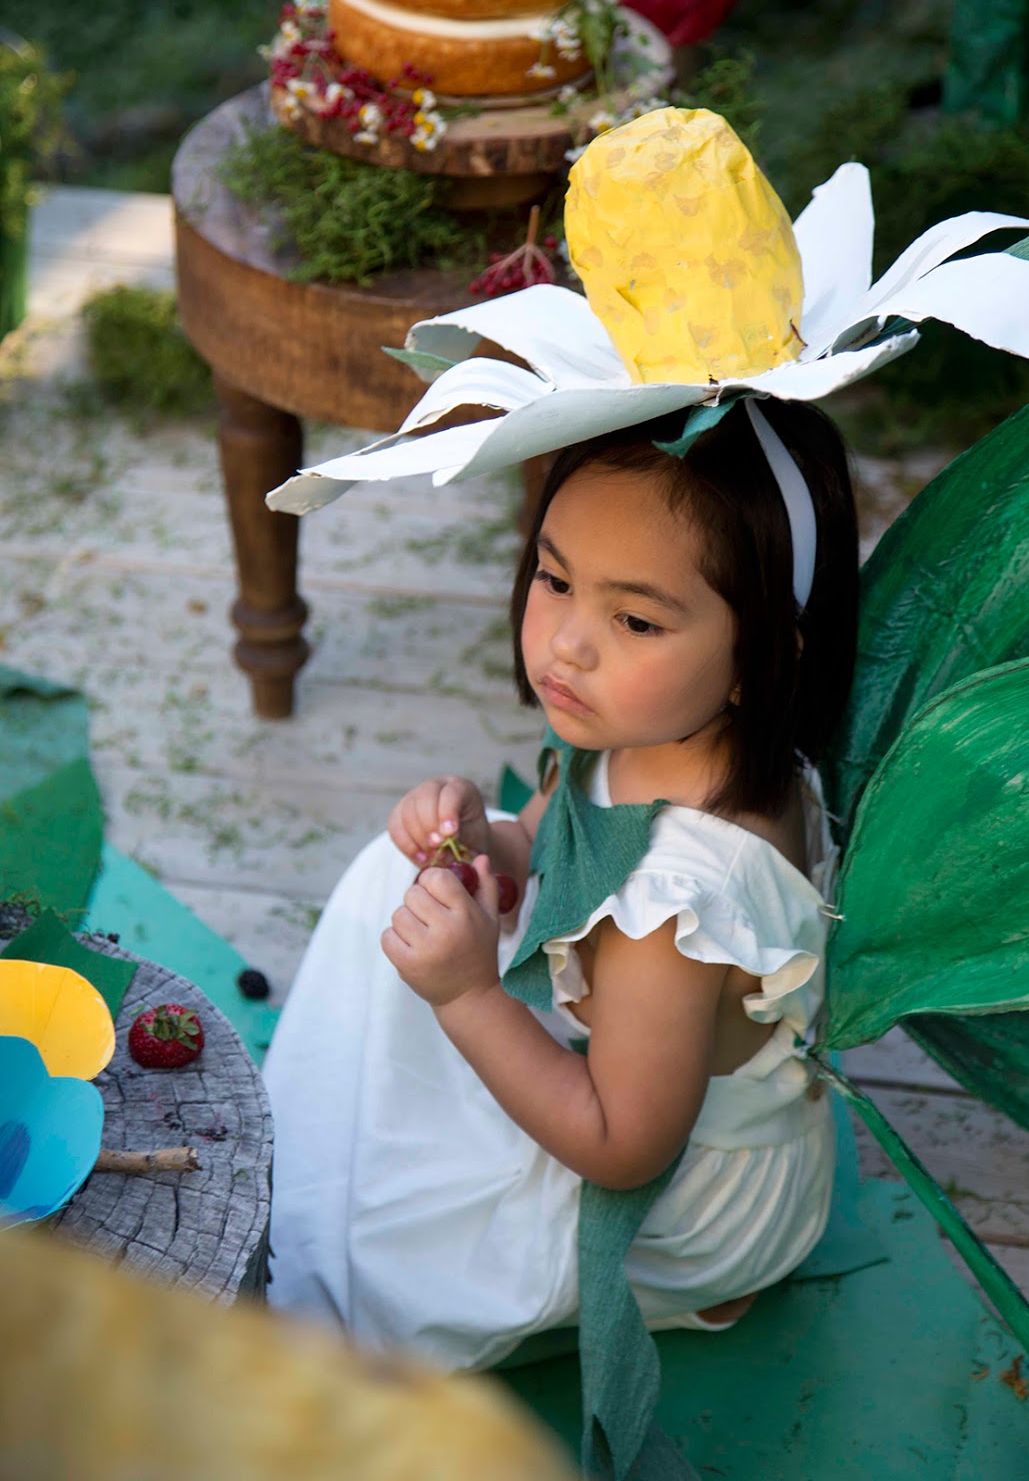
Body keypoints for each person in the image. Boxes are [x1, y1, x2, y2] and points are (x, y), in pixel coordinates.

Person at [263, 393, 859, 1379]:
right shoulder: (655, 733)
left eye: (631, 617)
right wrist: (478, 839)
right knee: (395, 878)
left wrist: (466, 996)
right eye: (552, 578)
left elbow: (619, 1147)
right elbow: (543, 846)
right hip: (635, 1067)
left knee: (377, 1262)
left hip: (675, 1201)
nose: (566, 644)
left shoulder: (669, 911)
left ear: (760, 658)